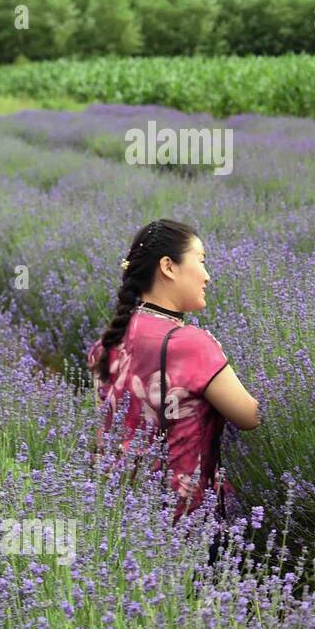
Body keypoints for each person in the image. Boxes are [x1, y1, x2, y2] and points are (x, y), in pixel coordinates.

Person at [86, 218, 261, 559]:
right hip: (187, 527)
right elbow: (251, 416)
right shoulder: (190, 345)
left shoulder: (105, 345)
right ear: (168, 266)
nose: (207, 275)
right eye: (201, 260)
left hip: (121, 524)